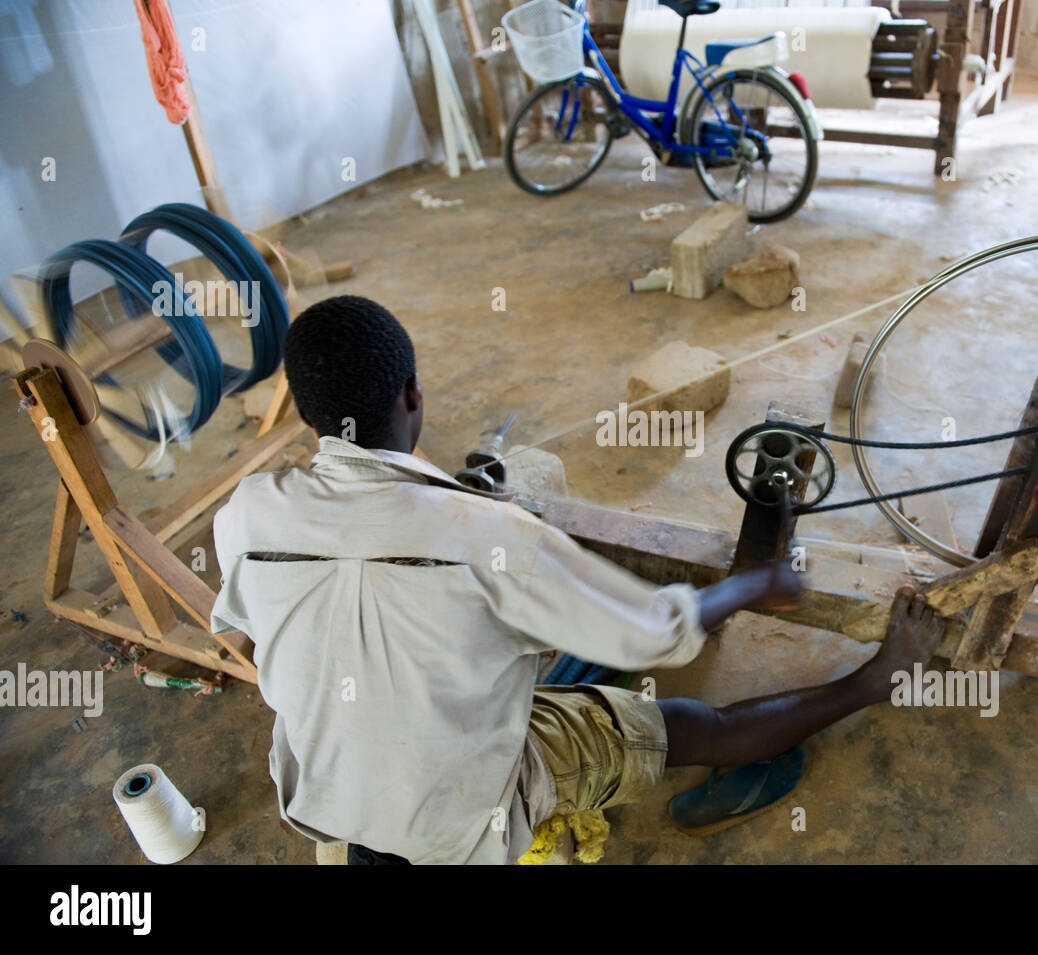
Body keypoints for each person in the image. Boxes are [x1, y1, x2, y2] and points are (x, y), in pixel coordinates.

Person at [211, 295, 945, 864]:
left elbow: (263, 630)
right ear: (412, 393)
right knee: (688, 723)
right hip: (463, 828)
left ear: (307, 417)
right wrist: (756, 584)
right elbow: (658, 631)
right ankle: (877, 681)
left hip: (330, 805)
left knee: (489, 655)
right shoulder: (495, 540)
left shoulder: (246, 514)